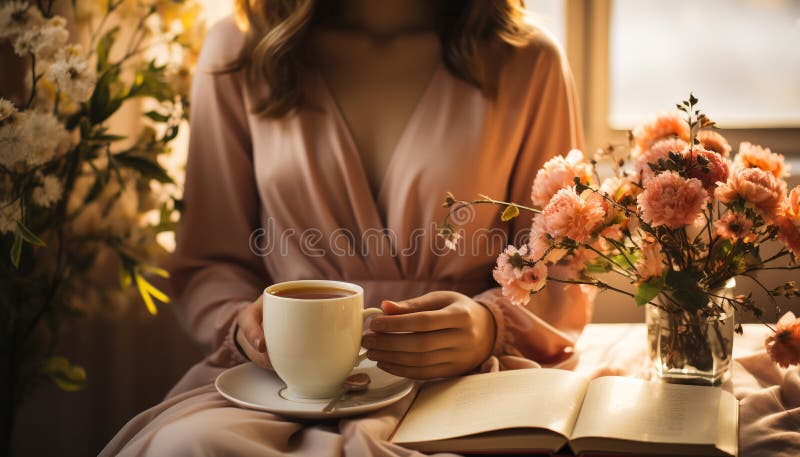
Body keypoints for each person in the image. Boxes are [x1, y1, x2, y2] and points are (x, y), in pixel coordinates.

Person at [100, 0, 593, 455]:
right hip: (283, 387)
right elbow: (210, 258)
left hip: (468, 380)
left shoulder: (528, 59)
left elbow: (562, 262)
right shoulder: (241, 51)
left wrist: (488, 324)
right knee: (187, 447)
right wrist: (243, 324)